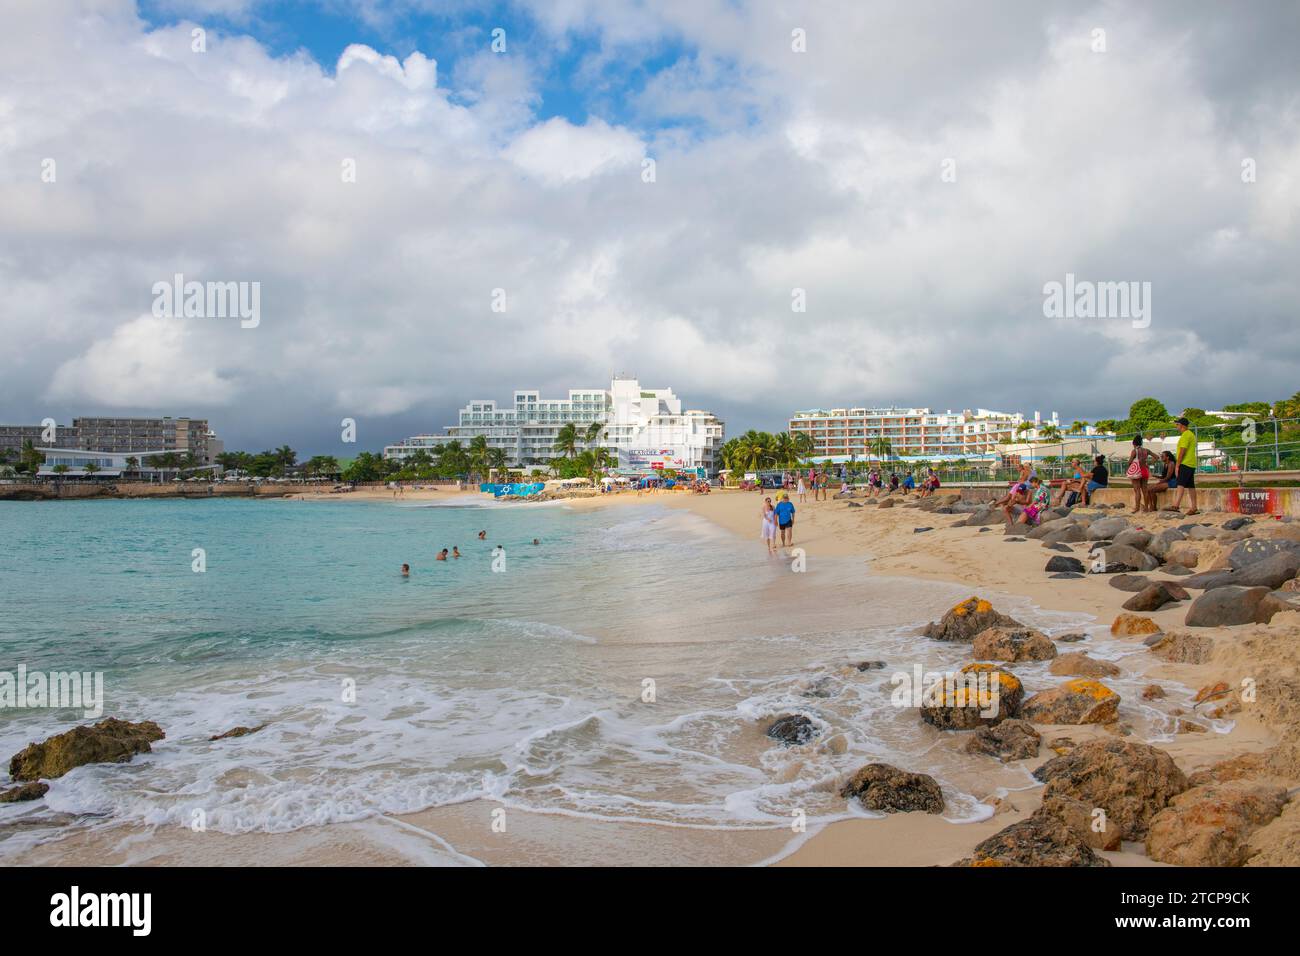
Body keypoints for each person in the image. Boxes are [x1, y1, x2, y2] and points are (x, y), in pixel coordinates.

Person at [1168, 417, 1200, 515]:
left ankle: (1176, 505)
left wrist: (1177, 465)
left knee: (1180, 484)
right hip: (1191, 463)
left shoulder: (1185, 435)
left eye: (1177, 424)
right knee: (1190, 486)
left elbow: (1183, 450)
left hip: (1185, 463)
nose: (1176, 426)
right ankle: (1194, 507)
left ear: (1181, 425)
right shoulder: (1191, 434)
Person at [1126, 435, 1151, 513]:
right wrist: (1149, 464)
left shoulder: (1134, 451)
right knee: (1145, 490)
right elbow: (1156, 457)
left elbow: (1130, 462)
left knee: (1137, 491)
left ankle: (1137, 508)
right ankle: (1146, 508)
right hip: (1144, 470)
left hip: (1137, 471)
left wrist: (1130, 465)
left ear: (1134, 443)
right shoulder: (1146, 450)